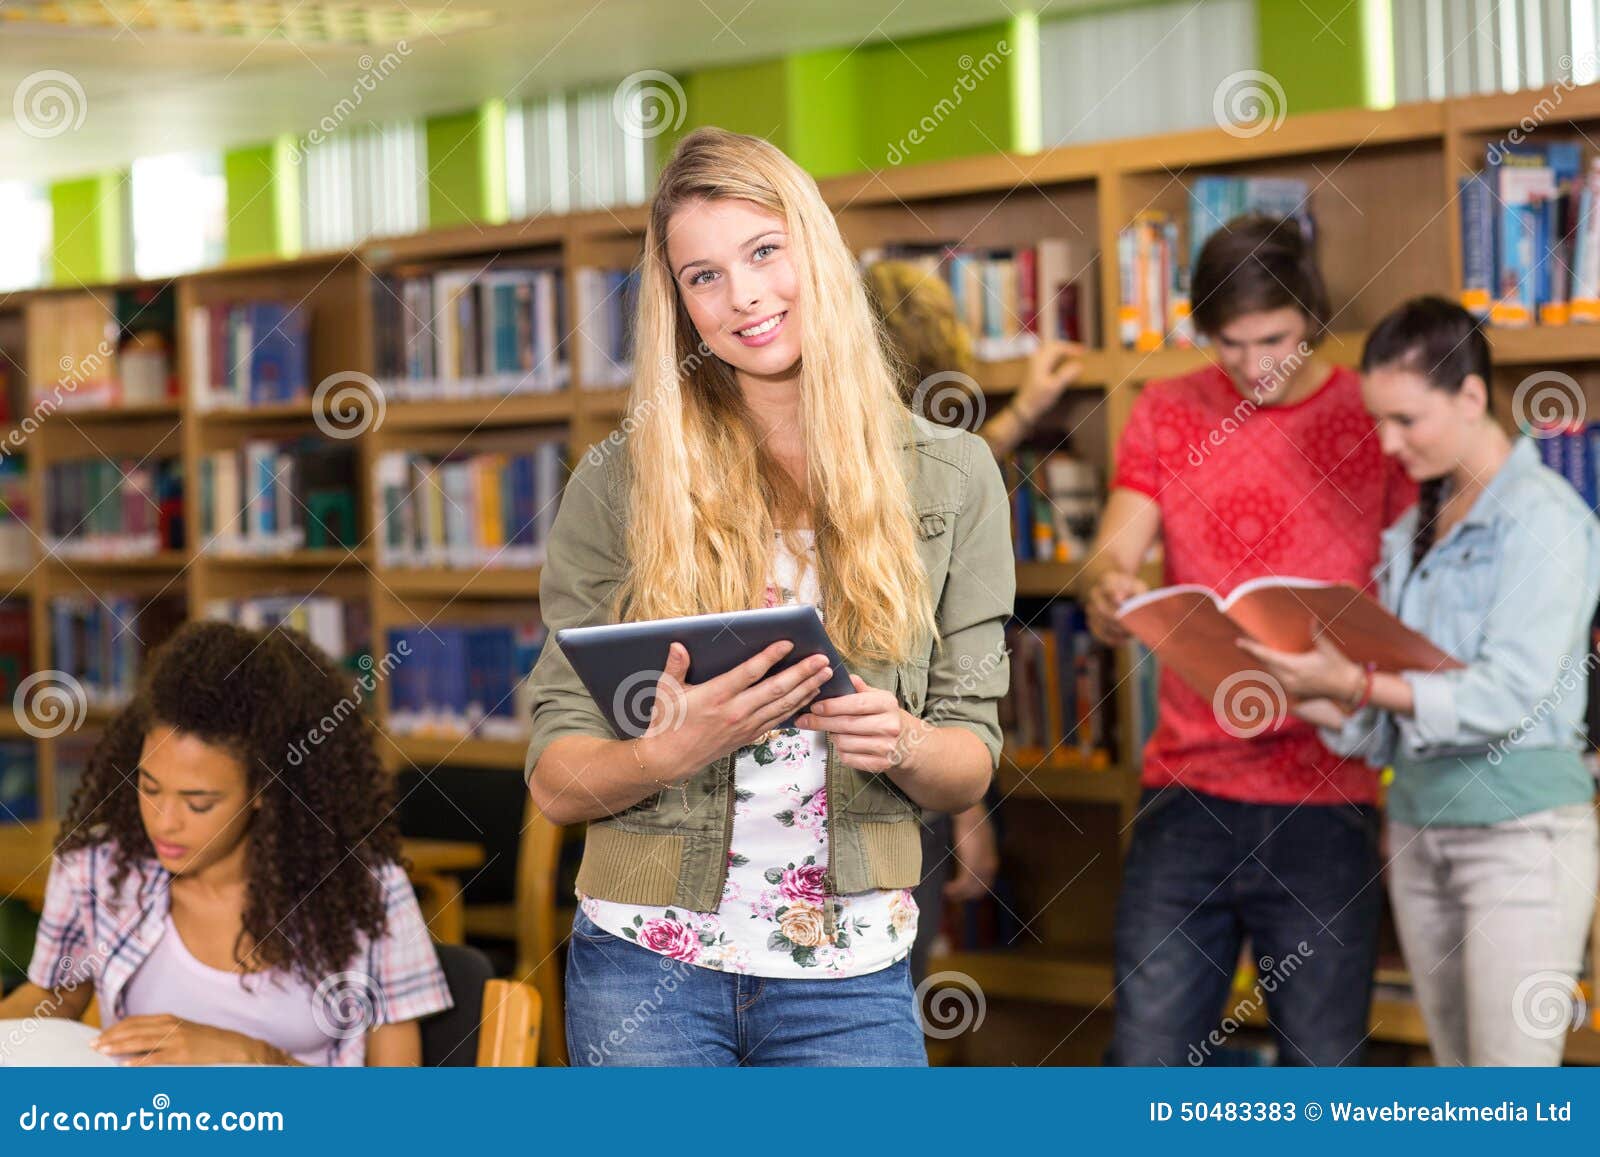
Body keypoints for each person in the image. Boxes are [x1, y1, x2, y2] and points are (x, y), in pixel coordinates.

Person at [524, 127, 1014, 1067]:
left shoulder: (952, 476)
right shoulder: (618, 481)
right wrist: (673, 748)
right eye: (702, 276)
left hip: (853, 970)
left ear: (815, 253)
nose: (743, 295)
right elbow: (555, 778)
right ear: (678, 306)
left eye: (762, 252)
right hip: (644, 966)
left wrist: (903, 740)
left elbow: (969, 760)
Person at [1083, 213, 1414, 1066]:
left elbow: (1422, 596)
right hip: (1186, 791)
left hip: (1328, 797)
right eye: (1230, 344)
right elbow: (1115, 546)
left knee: (1323, 1070)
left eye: (1276, 339)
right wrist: (1111, 585)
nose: (1256, 365)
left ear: (1313, 317)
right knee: (1145, 1064)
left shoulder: (1375, 420)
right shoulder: (1167, 411)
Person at [1239, 296, 1600, 1066]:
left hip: (1521, 837)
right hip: (1417, 828)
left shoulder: (1548, 520)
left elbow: (1505, 695)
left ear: (1472, 397)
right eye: (1378, 422)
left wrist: (1362, 686)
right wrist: (1326, 692)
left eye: (1407, 420)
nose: (1389, 443)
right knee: (1457, 1081)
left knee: (1508, 1095)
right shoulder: (1412, 531)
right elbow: (1390, 711)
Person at [0, 621, 452, 1066]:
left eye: (198, 803)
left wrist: (253, 1057)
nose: (165, 823)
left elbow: (395, 1113)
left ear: (264, 792)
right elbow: (48, 999)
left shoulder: (365, 890)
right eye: (150, 788)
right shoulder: (98, 868)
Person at [865, 258, 1083, 979]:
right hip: (901, 785)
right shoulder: (912, 473)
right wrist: (968, 810)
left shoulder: (921, 466)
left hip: (908, 769)